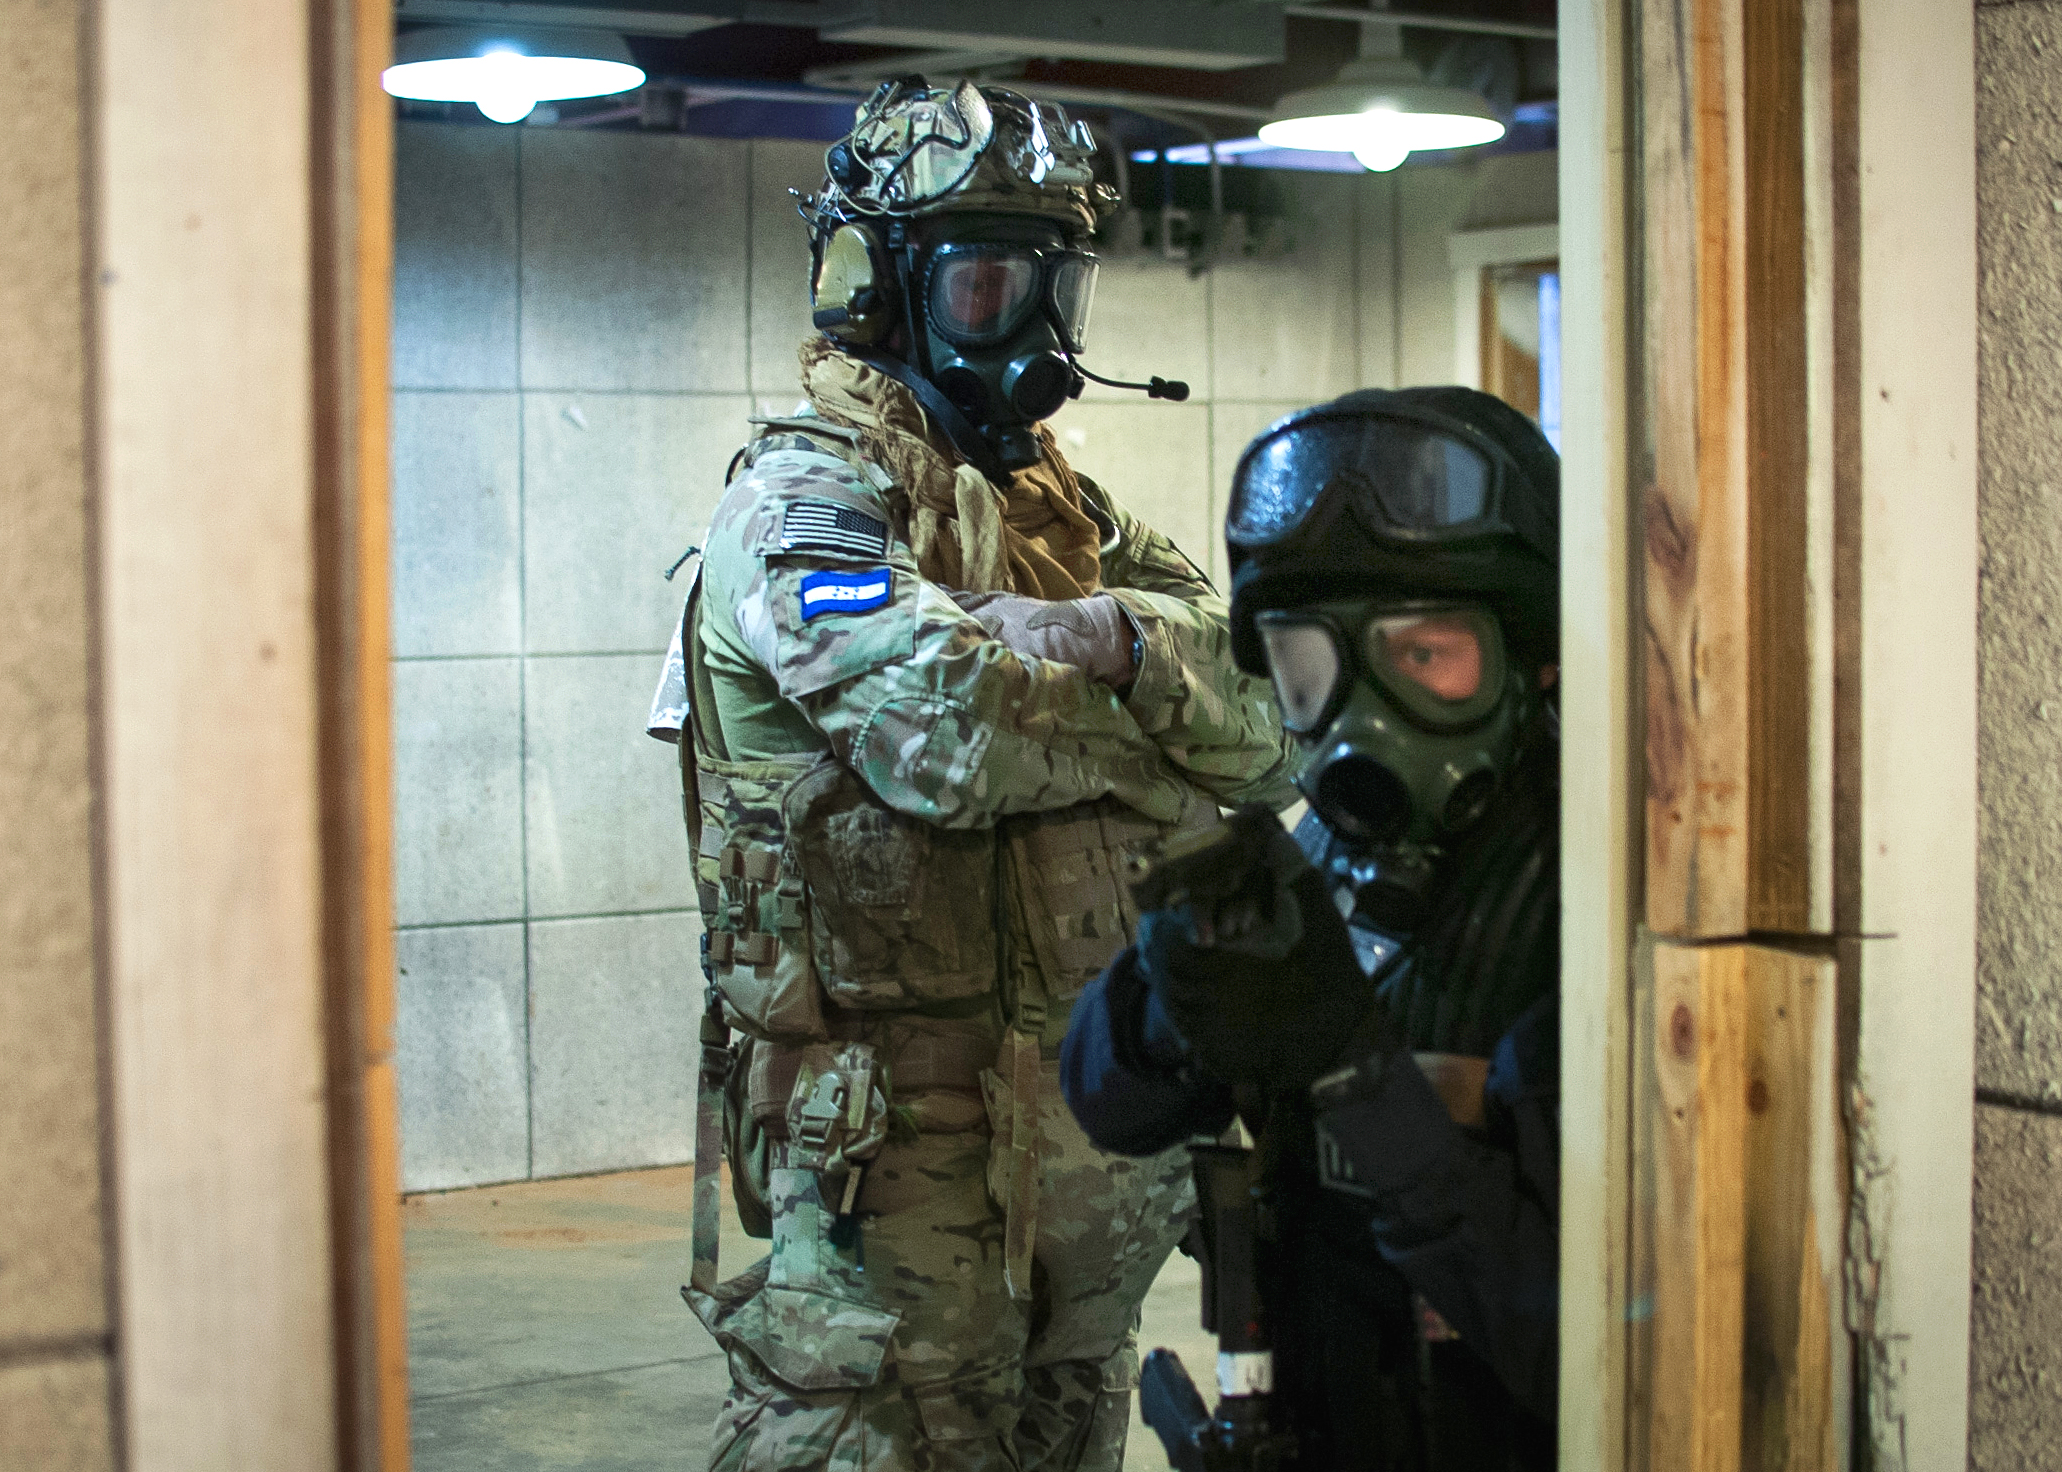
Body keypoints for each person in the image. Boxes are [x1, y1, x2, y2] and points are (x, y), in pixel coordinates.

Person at [646, 76, 1296, 1472]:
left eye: (1061, 287)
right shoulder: (800, 504)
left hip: (1082, 1202)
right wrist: (1157, 728)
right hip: (895, 1214)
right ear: (880, 287)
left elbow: (1289, 716)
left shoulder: (1066, 515)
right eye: (996, 284)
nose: (1044, 338)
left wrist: (1112, 633)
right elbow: (952, 737)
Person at [1058, 388, 1563, 1472]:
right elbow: (1105, 1097)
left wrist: (1352, 1070)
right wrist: (1166, 1000)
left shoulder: (1586, 905)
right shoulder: (1322, 857)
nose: (1361, 716)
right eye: (1310, 665)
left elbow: (1570, 1337)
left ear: (1534, 658)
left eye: (1425, 656)